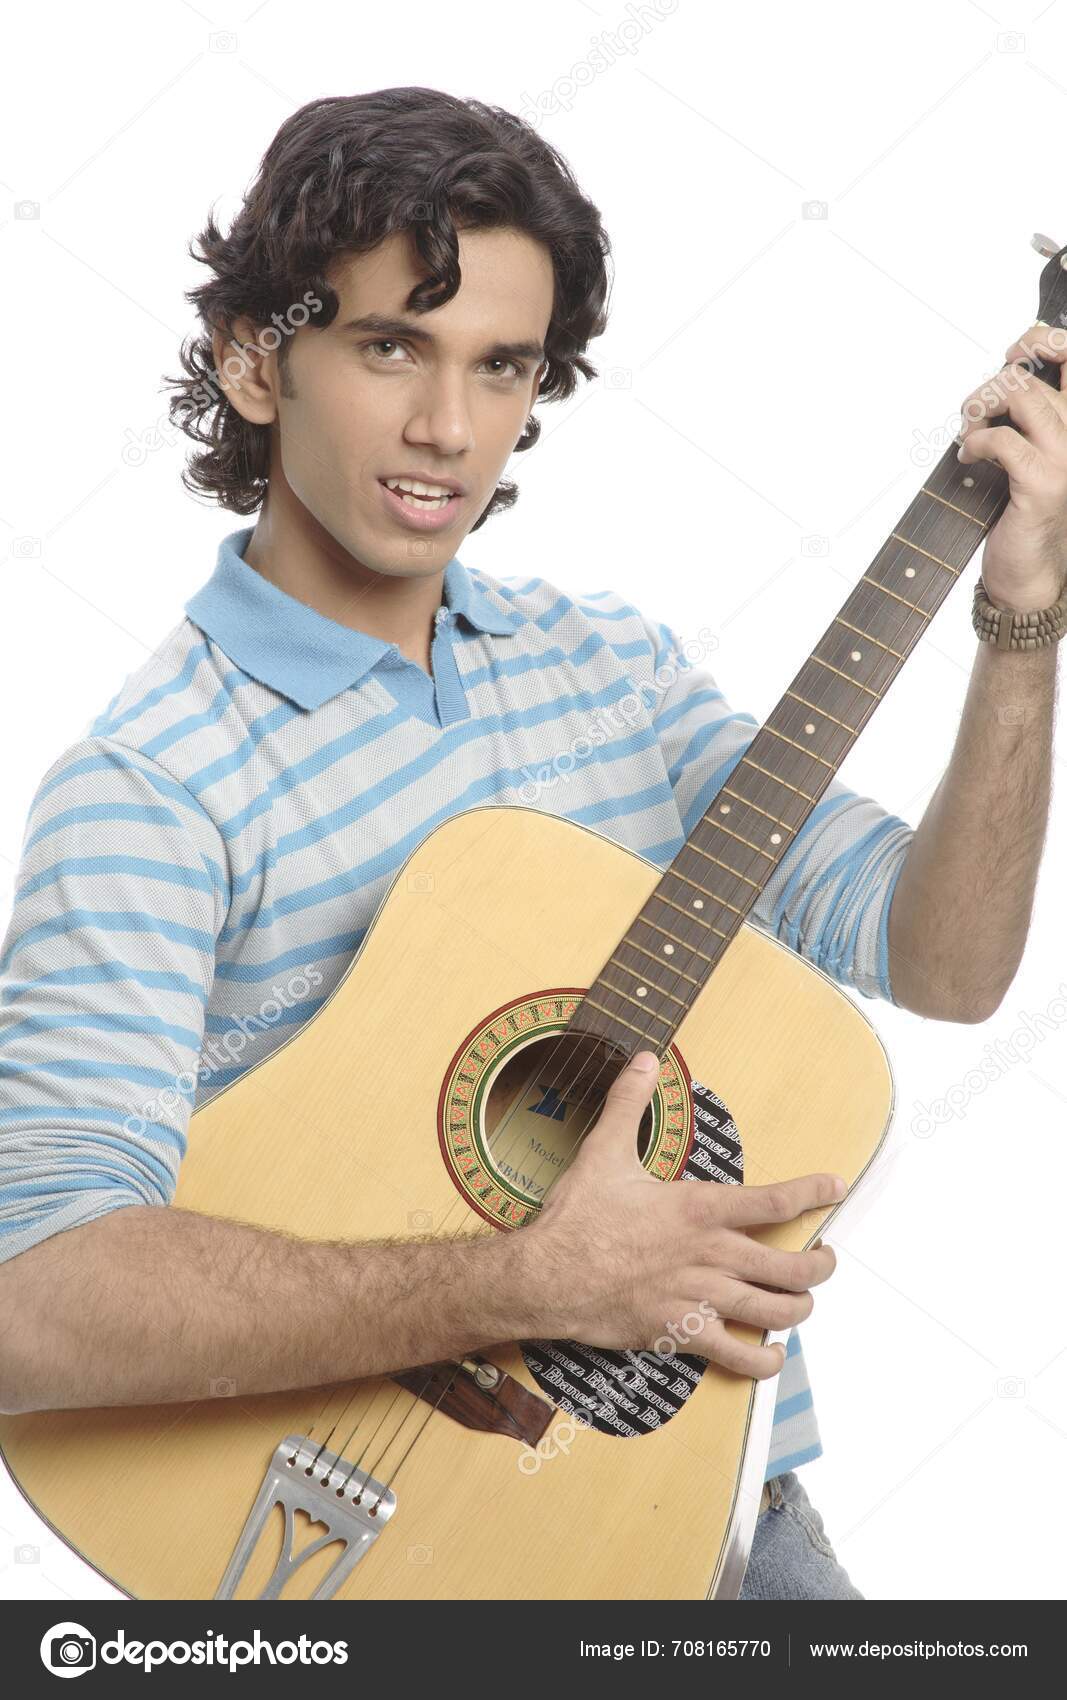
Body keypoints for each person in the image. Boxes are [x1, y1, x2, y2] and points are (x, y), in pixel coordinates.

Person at [0, 88, 1061, 1603]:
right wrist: (522, 1280)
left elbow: (941, 962)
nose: (450, 428)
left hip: (715, 1512)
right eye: (391, 347)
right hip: (385, 1557)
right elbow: (31, 1302)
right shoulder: (151, 788)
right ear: (254, 359)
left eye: (502, 367)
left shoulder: (608, 669)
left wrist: (1022, 630)